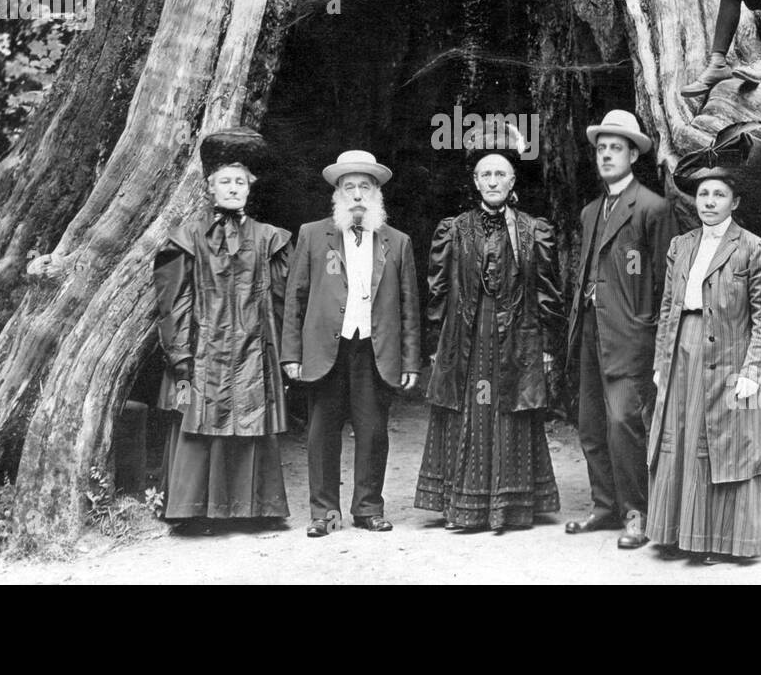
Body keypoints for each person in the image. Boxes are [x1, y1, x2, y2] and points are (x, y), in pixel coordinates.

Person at [415, 125, 564, 532]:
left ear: (512, 181)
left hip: (518, 334)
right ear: (476, 182)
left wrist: (548, 344)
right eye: (486, 175)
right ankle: (464, 504)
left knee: (510, 411)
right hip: (467, 334)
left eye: (501, 174)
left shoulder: (534, 231)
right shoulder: (454, 229)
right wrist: (434, 343)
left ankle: (512, 506)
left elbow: (547, 292)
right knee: (469, 410)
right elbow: (438, 291)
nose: (493, 181)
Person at [647, 122, 761, 562]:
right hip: (682, 349)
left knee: (724, 445)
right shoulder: (680, 246)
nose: (709, 202)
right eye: (703, 194)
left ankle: (722, 543)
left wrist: (753, 370)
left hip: (728, 356)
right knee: (681, 439)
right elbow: (669, 306)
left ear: (735, 201)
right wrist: (660, 359)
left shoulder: (754, 249)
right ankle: (677, 536)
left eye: (719, 195)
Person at [154, 126, 292, 529]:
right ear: (210, 188)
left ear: (250, 188)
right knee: (201, 417)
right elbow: (173, 299)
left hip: (252, 348)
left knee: (250, 417)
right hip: (203, 348)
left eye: (240, 182)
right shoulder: (189, 237)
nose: (233, 189)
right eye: (224, 182)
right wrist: (179, 353)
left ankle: (254, 510)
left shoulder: (269, 238)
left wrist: (281, 351)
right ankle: (193, 511)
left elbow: (284, 301)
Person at [282, 150, 421, 538]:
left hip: (375, 349)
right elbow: (295, 297)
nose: (357, 194)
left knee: (373, 431)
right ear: (338, 195)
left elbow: (410, 306)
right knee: (321, 432)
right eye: (349, 187)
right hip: (327, 348)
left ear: (376, 193)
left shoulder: (398, 242)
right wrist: (291, 353)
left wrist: (411, 361)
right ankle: (324, 512)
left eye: (364, 187)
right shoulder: (312, 234)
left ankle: (368, 509)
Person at [565, 110, 677, 550]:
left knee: (624, 422)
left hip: (631, 334)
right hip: (590, 330)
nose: (607, 155)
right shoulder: (591, 210)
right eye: (601, 148)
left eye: (616, 148)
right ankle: (604, 506)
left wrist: (651, 331)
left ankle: (638, 511)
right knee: (590, 424)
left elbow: (667, 281)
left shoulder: (652, 207)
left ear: (633, 154)